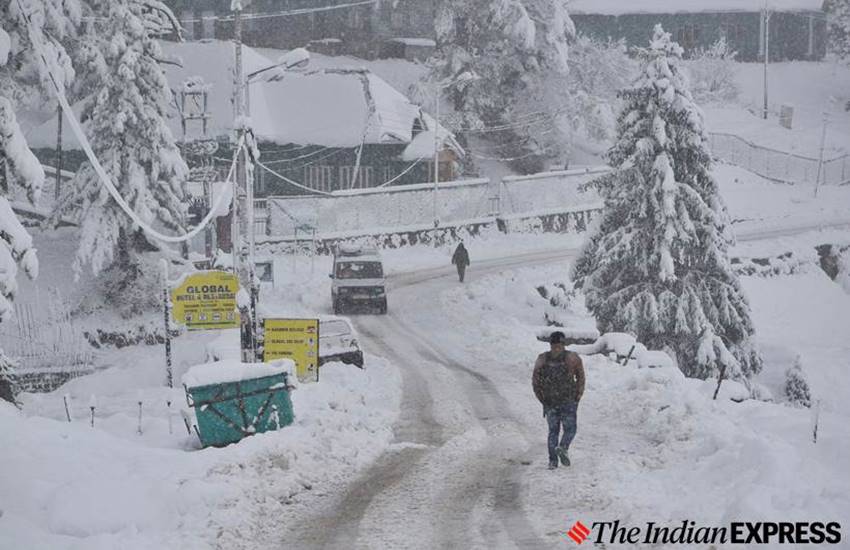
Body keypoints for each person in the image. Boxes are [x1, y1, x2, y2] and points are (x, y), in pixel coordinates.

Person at [532, 330, 585, 469]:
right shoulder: (573, 358)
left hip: (550, 402)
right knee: (570, 430)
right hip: (568, 401)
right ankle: (563, 447)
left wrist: (543, 399)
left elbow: (535, 382)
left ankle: (552, 461)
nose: (556, 348)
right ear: (564, 344)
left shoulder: (542, 359)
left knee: (553, 432)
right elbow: (581, 377)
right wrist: (577, 396)